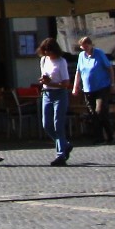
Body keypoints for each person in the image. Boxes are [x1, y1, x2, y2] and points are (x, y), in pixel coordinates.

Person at [36, 37, 74, 166]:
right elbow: (45, 78)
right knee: (46, 124)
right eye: (44, 51)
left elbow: (65, 84)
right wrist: (44, 81)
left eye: (49, 51)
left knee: (58, 124)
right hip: (47, 94)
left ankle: (60, 155)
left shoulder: (61, 62)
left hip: (59, 94)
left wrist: (50, 82)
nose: (47, 53)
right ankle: (65, 145)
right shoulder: (43, 60)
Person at [75, 36, 115, 142]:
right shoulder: (81, 56)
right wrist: (76, 86)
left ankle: (110, 135)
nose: (85, 48)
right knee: (92, 113)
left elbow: (109, 68)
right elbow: (78, 72)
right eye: (83, 46)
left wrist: (112, 83)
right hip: (88, 89)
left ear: (91, 44)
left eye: (87, 45)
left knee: (100, 111)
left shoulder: (99, 53)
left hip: (102, 87)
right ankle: (99, 137)